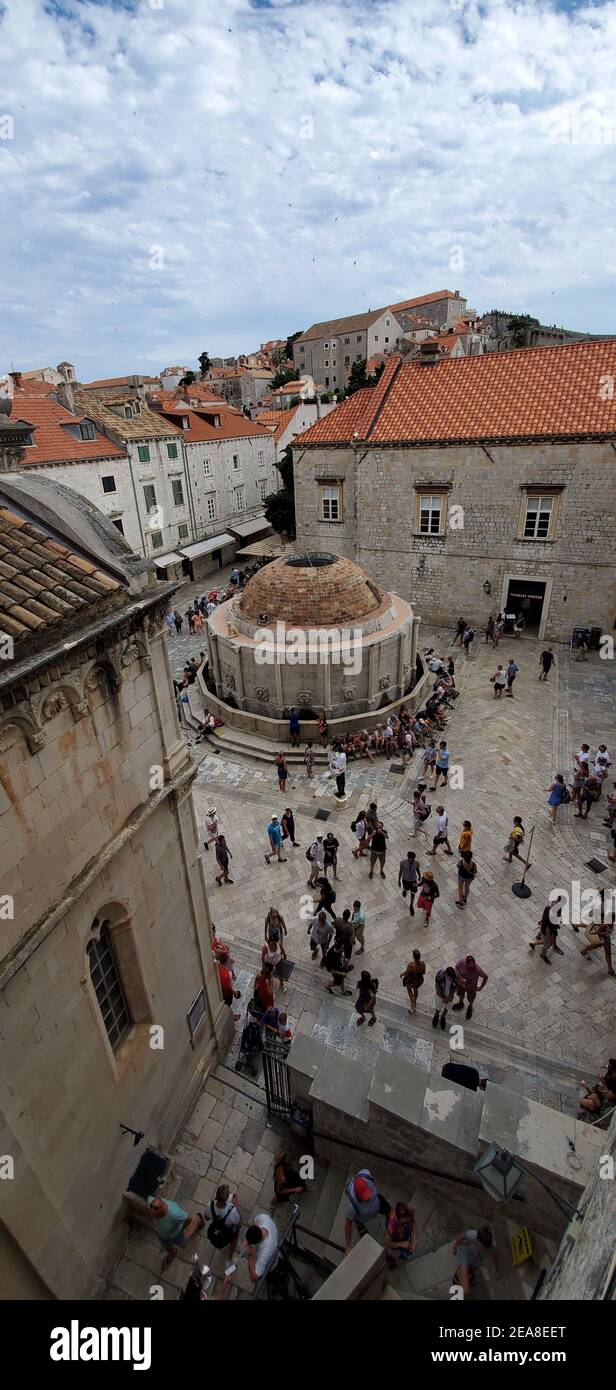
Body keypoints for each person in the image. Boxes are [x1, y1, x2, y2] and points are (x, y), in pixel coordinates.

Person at [148, 1195, 204, 1271]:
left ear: (162, 1209)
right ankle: (173, 1253)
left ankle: (198, 1220)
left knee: (183, 1242)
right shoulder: (150, 1202)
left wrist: (191, 1223)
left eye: (155, 1215)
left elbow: (188, 1218)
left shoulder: (174, 1214)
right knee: (166, 1245)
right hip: (163, 1235)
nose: (152, 1216)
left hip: (176, 1234)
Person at [344, 1170, 385, 1254]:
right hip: (363, 1215)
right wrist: (348, 1245)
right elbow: (348, 1225)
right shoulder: (351, 1207)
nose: (368, 1197)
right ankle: (359, 1224)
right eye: (364, 1197)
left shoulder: (366, 1174)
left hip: (377, 1202)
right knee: (358, 1219)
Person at [452, 1227, 499, 1297]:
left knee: (471, 1271)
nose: (482, 1249)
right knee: (466, 1291)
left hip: (475, 1260)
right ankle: (459, 1273)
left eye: (484, 1249)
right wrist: (455, 1248)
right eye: (480, 1246)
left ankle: (466, 1277)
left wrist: (497, 1271)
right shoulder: (471, 1234)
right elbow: (460, 1237)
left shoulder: (492, 1245)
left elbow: (495, 1257)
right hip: (465, 1256)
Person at [243, 1212, 279, 1285]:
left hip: (271, 1264)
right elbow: (254, 1222)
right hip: (275, 1241)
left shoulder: (265, 1252)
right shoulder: (264, 1217)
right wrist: (248, 1241)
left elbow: (254, 1278)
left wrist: (250, 1256)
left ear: (257, 1242)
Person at [206, 1184, 241, 1256]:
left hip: (216, 1228)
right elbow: (239, 1224)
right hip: (227, 1231)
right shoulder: (233, 1211)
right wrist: (236, 1205)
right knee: (236, 1235)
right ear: (226, 1198)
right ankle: (230, 1256)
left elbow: (207, 1217)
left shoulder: (210, 1205)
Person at [452, 955, 488, 1020]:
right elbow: (456, 967)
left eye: (473, 965)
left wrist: (480, 987)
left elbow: (485, 977)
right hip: (461, 984)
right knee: (460, 994)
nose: (472, 968)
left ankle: (470, 1007)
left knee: (471, 998)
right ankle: (461, 1003)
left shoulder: (478, 970)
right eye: (470, 966)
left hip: (471, 987)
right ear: (466, 963)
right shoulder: (462, 961)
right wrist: (460, 978)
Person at [384, 1203, 416, 1267]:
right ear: (401, 1217)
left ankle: (403, 1254)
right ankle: (391, 1259)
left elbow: (413, 1223)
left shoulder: (408, 1212)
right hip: (395, 1242)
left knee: (405, 1251)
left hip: (404, 1236)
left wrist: (414, 1242)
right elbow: (387, 1243)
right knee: (393, 1254)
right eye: (406, 1219)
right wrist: (402, 1244)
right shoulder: (391, 1226)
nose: (408, 1220)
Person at [217, 952, 241, 1019]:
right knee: (227, 1006)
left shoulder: (216, 967)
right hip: (226, 995)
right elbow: (228, 987)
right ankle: (231, 1017)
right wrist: (234, 992)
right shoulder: (227, 974)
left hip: (219, 992)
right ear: (226, 961)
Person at [432, 965, 457, 1029]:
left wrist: (449, 997)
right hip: (440, 995)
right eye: (450, 978)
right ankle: (436, 1015)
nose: (451, 980)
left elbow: (455, 988)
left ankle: (443, 1017)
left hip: (450, 997)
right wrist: (442, 997)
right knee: (438, 1008)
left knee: (447, 1008)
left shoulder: (455, 978)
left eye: (452, 978)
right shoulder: (440, 976)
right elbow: (437, 986)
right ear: (446, 974)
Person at [401, 949, 425, 1014]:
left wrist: (402, 974)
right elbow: (424, 972)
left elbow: (406, 973)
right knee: (416, 990)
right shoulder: (423, 964)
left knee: (409, 989)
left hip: (411, 981)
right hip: (419, 980)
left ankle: (412, 1004)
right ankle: (415, 1002)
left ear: (413, 956)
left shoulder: (410, 965)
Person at [398, 849, 421, 916]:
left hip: (413, 880)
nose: (412, 860)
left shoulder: (416, 863)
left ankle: (411, 904)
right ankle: (405, 890)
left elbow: (417, 869)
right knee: (406, 888)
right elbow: (400, 871)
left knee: (413, 892)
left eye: (413, 859)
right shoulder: (403, 863)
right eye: (411, 859)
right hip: (405, 879)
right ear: (408, 858)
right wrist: (399, 881)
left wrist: (419, 876)